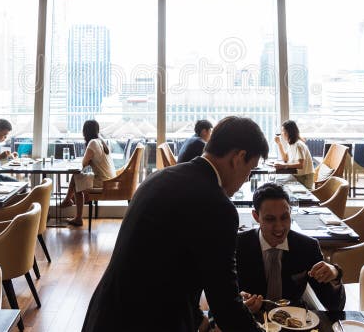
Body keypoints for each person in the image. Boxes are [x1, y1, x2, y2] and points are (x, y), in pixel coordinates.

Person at [81, 116, 269, 332]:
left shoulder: (158, 178)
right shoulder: (217, 206)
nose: (246, 179)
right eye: (250, 170)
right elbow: (225, 306)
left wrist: (198, 318)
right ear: (239, 157)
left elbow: (164, 264)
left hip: (105, 313)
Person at [236, 183, 345, 312]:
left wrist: (335, 275)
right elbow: (222, 292)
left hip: (293, 319)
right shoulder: (238, 245)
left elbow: (335, 306)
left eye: (284, 217)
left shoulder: (307, 247)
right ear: (256, 217)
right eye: (270, 219)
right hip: (251, 318)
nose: (279, 227)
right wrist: (239, 303)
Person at [60, 120, 116, 227]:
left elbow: (83, 163)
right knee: (76, 178)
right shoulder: (101, 141)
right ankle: (69, 202)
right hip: (110, 179)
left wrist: (87, 161)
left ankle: (70, 204)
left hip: (103, 181)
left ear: (85, 132)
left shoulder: (93, 143)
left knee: (76, 179)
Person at [273, 120, 314, 189]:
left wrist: (283, 166)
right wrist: (279, 144)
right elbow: (285, 158)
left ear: (289, 133)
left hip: (304, 178)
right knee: (276, 181)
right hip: (297, 175)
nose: (282, 134)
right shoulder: (291, 144)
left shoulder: (298, 145)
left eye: (283, 131)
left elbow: (300, 165)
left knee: (277, 184)